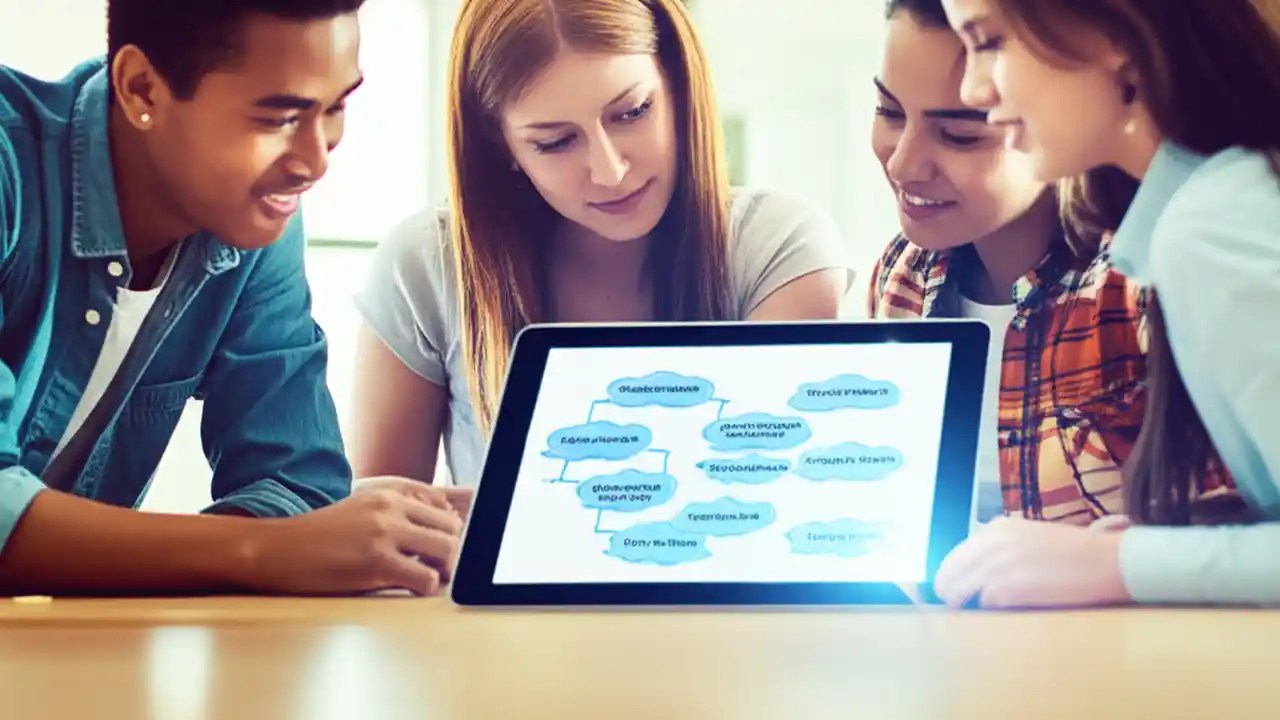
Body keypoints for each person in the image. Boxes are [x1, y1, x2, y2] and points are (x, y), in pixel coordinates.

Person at [0, 0, 468, 598]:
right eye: (277, 119)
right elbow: (286, 538)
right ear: (141, 89)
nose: (315, 161)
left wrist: (307, 540)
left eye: (336, 107)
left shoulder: (249, 218)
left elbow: (298, 482)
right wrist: (261, 550)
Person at [350, 0, 854, 488]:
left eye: (632, 112)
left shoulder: (776, 246)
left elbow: (765, 491)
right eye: (554, 142)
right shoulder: (426, 265)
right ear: (501, 145)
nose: (611, 171)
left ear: (677, 84)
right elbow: (379, 546)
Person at [933, 0, 1280, 608]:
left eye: (988, 41)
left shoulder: (1211, 226)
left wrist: (1122, 564)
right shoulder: (1224, 201)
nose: (972, 87)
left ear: (1117, 27)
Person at [868, 0, 1169, 528]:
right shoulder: (901, 277)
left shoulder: (1141, 283)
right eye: (890, 111)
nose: (901, 164)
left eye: (958, 135)